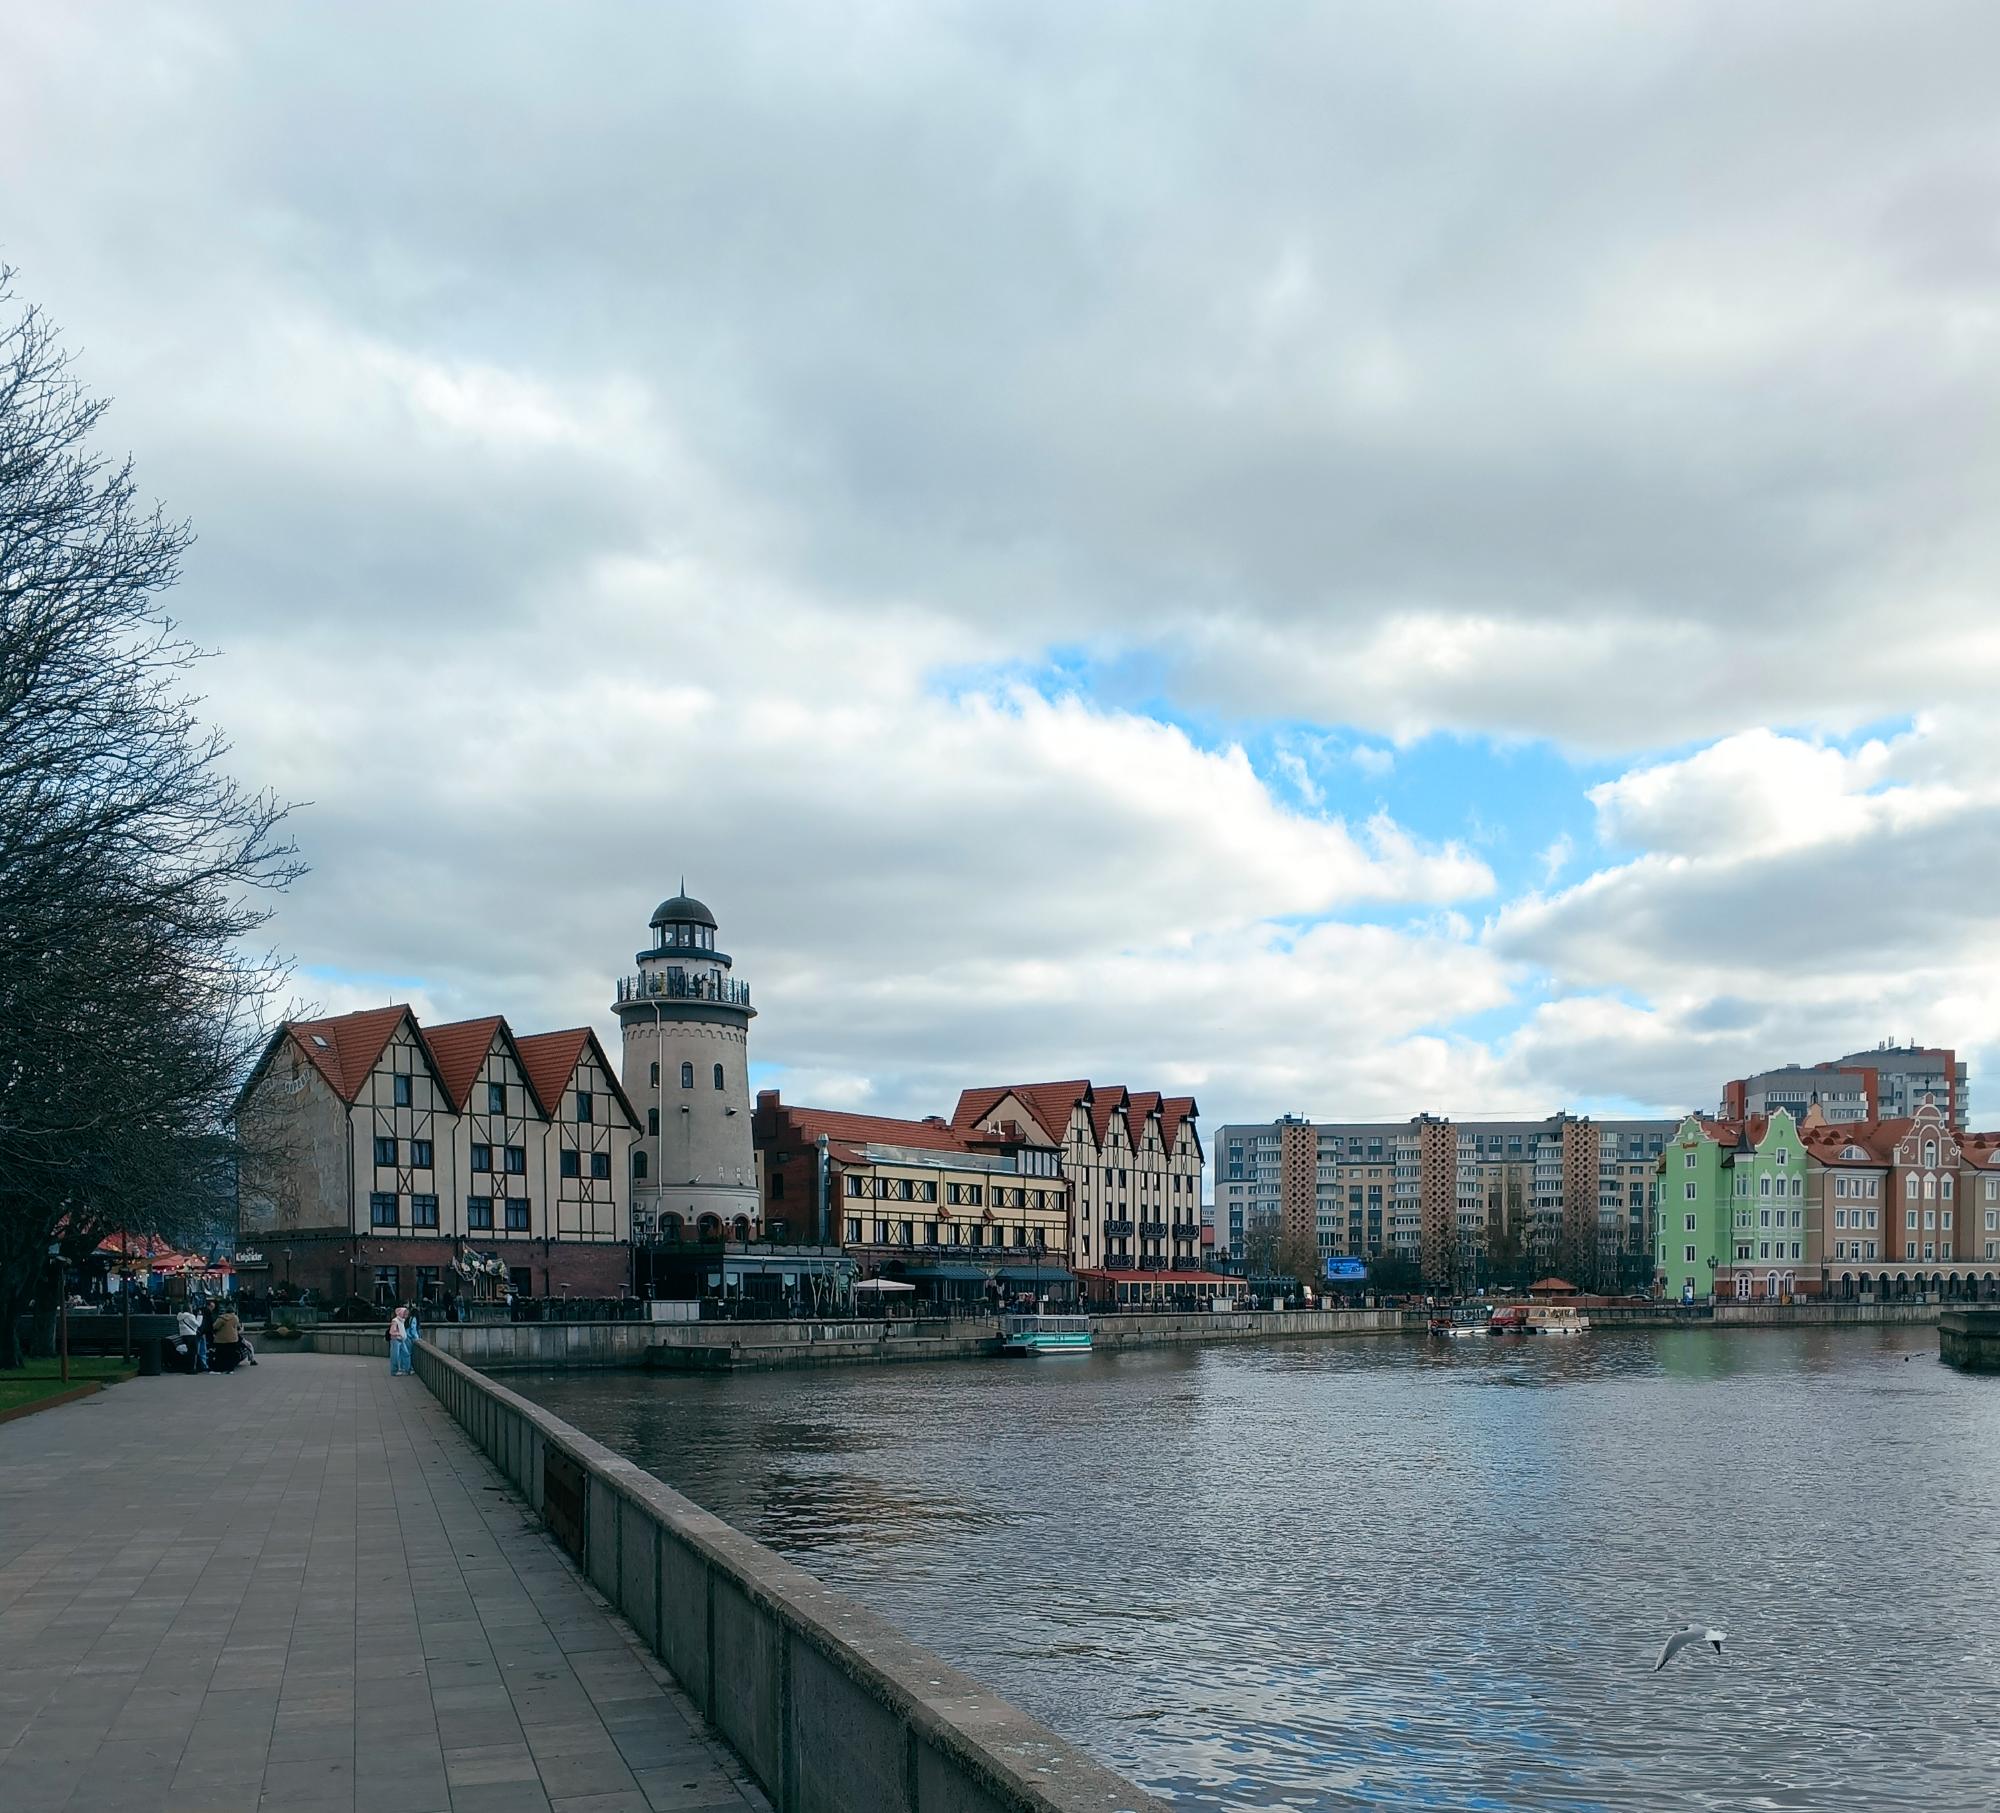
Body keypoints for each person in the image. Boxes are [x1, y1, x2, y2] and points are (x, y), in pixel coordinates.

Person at [211, 1304, 244, 1372]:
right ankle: (230, 1369)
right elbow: (238, 1327)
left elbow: (215, 1327)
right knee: (231, 1355)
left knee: (220, 1355)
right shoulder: (235, 1317)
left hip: (221, 1340)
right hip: (233, 1339)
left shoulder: (221, 1318)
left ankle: (219, 1369)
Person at [387, 1305, 411, 1375]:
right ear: (401, 1313)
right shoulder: (395, 1321)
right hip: (396, 1340)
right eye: (405, 1314)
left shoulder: (401, 1321)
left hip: (401, 1340)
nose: (406, 1316)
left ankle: (406, 1369)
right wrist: (399, 1334)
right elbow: (391, 1332)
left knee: (406, 1354)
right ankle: (394, 1371)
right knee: (395, 1355)